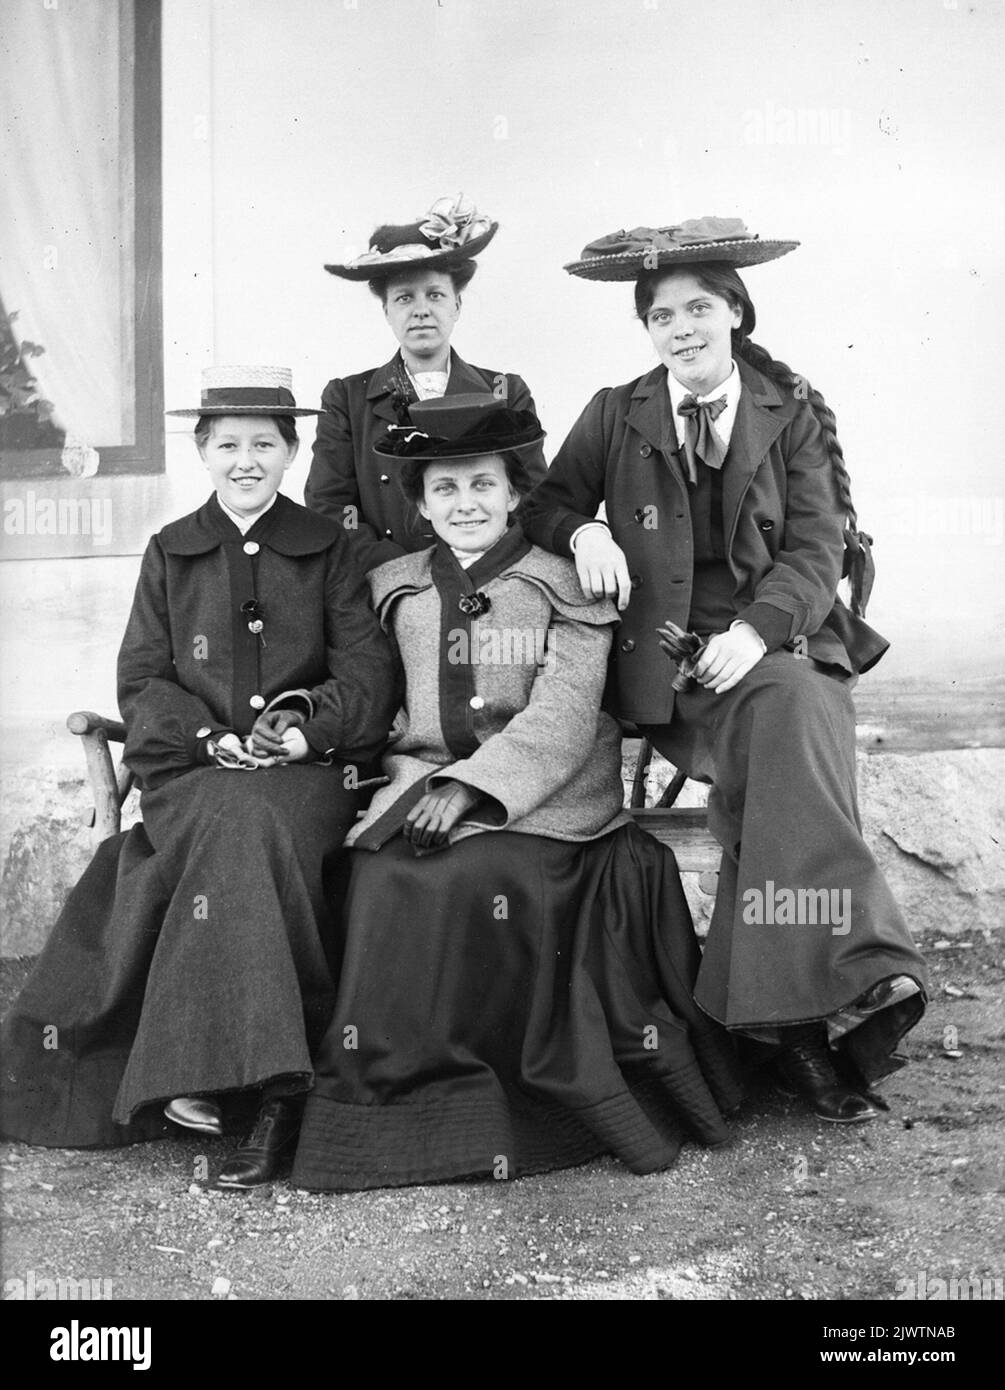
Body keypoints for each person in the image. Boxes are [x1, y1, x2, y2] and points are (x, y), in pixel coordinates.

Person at [521, 217, 929, 1123]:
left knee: (785, 722)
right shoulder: (613, 412)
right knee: (786, 756)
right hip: (667, 672)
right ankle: (845, 985)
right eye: (661, 316)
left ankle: (783, 1028)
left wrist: (759, 627)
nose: (681, 330)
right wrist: (583, 529)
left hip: (775, 648)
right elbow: (547, 504)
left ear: (735, 313)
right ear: (647, 332)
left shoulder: (792, 410)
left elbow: (821, 545)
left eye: (698, 308)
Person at [291, 397, 742, 1193]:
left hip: (549, 804)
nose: (465, 505)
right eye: (445, 491)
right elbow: (379, 700)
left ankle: (499, 1098)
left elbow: (565, 716)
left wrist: (472, 788)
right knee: (379, 876)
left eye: (481, 487)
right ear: (422, 507)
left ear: (510, 495)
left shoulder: (563, 586)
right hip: (420, 786)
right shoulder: (392, 587)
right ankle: (382, 1105)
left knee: (465, 879)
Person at [0, 367, 400, 1188]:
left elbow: (367, 678)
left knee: (253, 821)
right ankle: (267, 1085)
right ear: (201, 453)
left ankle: (223, 1081)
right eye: (227, 445)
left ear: (290, 453)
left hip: (303, 776)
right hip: (192, 774)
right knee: (233, 818)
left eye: (263, 444)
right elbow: (143, 680)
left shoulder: (330, 548)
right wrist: (211, 738)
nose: (245, 460)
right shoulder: (171, 550)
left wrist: (295, 735)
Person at [304, 194, 546, 571]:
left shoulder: (505, 391)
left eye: (435, 295)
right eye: (404, 298)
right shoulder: (347, 399)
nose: (421, 310)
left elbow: (531, 497)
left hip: (492, 580)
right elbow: (332, 508)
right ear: (386, 311)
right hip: (387, 586)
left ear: (457, 306)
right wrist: (403, 575)